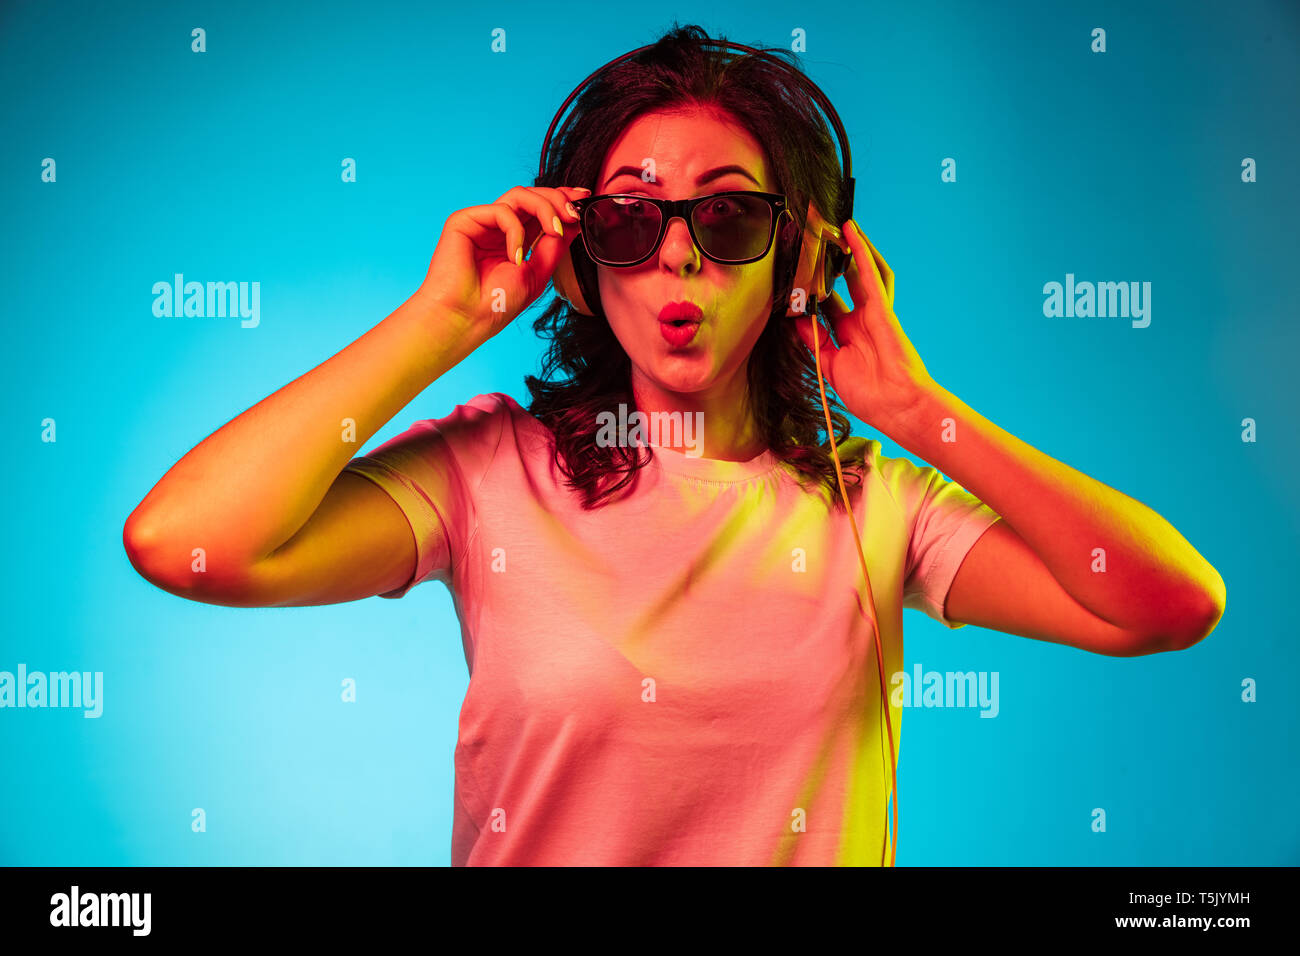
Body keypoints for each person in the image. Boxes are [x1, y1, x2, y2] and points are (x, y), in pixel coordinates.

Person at [123, 25, 1226, 866]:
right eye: (629, 221)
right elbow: (188, 543)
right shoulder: (487, 475)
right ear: (582, 258)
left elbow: (1167, 604)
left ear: (798, 260)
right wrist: (442, 322)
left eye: (731, 217)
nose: (680, 262)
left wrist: (917, 408)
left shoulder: (877, 504)